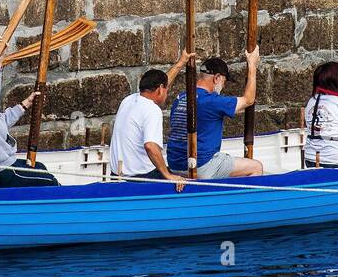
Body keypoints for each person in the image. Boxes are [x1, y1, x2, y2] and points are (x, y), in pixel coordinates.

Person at [166, 48, 264, 178]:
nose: (223, 87)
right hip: (201, 166)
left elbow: (163, 85)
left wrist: (181, 61)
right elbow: (248, 100)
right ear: (217, 78)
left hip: (174, 165)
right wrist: (252, 65)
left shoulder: (181, 97)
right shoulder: (212, 101)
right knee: (256, 167)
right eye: (224, 81)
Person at [108, 67, 187, 186]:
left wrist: (181, 62)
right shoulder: (152, 110)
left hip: (116, 175)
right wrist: (167, 175)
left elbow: (164, 81)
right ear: (160, 89)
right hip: (140, 178)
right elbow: (150, 146)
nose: (167, 92)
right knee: (182, 182)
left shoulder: (128, 100)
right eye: (166, 89)